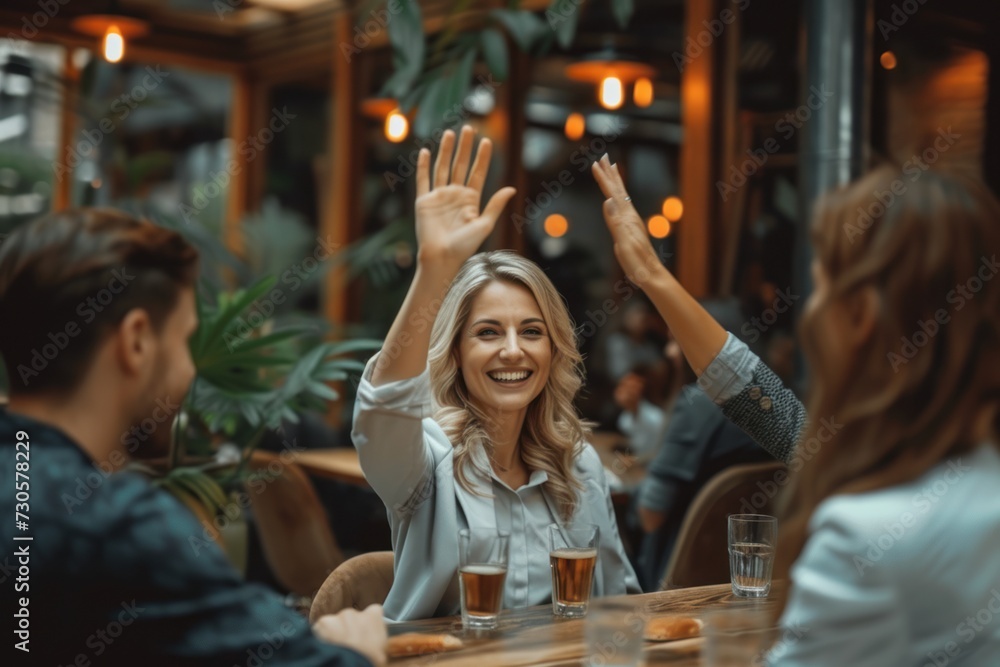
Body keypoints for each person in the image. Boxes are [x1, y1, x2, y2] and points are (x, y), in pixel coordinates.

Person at [592, 156, 1000, 665]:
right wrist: (652, 275)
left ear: (861, 317)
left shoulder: (866, 538)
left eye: (822, 284)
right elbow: (768, 406)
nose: (811, 312)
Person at [0, 209, 386, 666]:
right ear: (136, 341)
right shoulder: (116, 528)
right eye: (186, 341)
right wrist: (358, 651)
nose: (190, 370)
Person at [352, 126, 640, 622]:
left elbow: (618, 599)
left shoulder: (580, 466)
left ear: (553, 349)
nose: (512, 351)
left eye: (531, 331)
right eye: (487, 332)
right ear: (456, 352)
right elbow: (384, 408)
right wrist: (433, 271)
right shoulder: (427, 464)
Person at [634, 308, 770, 591]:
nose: (670, 353)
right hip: (747, 575)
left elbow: (650, 515)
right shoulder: (773, 403)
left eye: (677, 341)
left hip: (676, 582)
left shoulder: (699, 404)